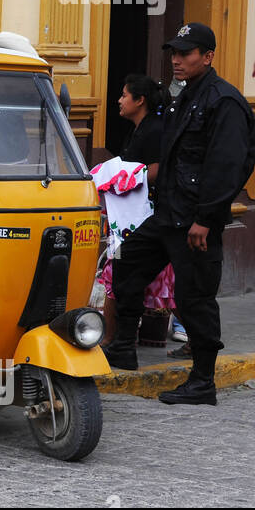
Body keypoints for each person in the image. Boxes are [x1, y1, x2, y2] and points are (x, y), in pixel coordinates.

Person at [104, 23, 255, 405]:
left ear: (208, 56)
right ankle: (123, 346)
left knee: (195, 298)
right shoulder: (182, 97)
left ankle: (202, 381)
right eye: (173, 53)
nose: (176, 60)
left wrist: (206, 219)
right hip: (167, 214)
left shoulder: (224, 102)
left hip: (194, 221)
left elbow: (229, 166)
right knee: (126, 263)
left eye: (185, 53)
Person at [95, 75, 176, 346]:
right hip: (125, 215)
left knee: (117, 269)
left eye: (124, 95)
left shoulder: (154, 130)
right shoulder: (137, 129)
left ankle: (110, 338)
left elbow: (155, 170)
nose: (119, 100)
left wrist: (123, 176)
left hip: (141, 217)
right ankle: (127, 337)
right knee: (119, 269)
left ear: (139, 100)